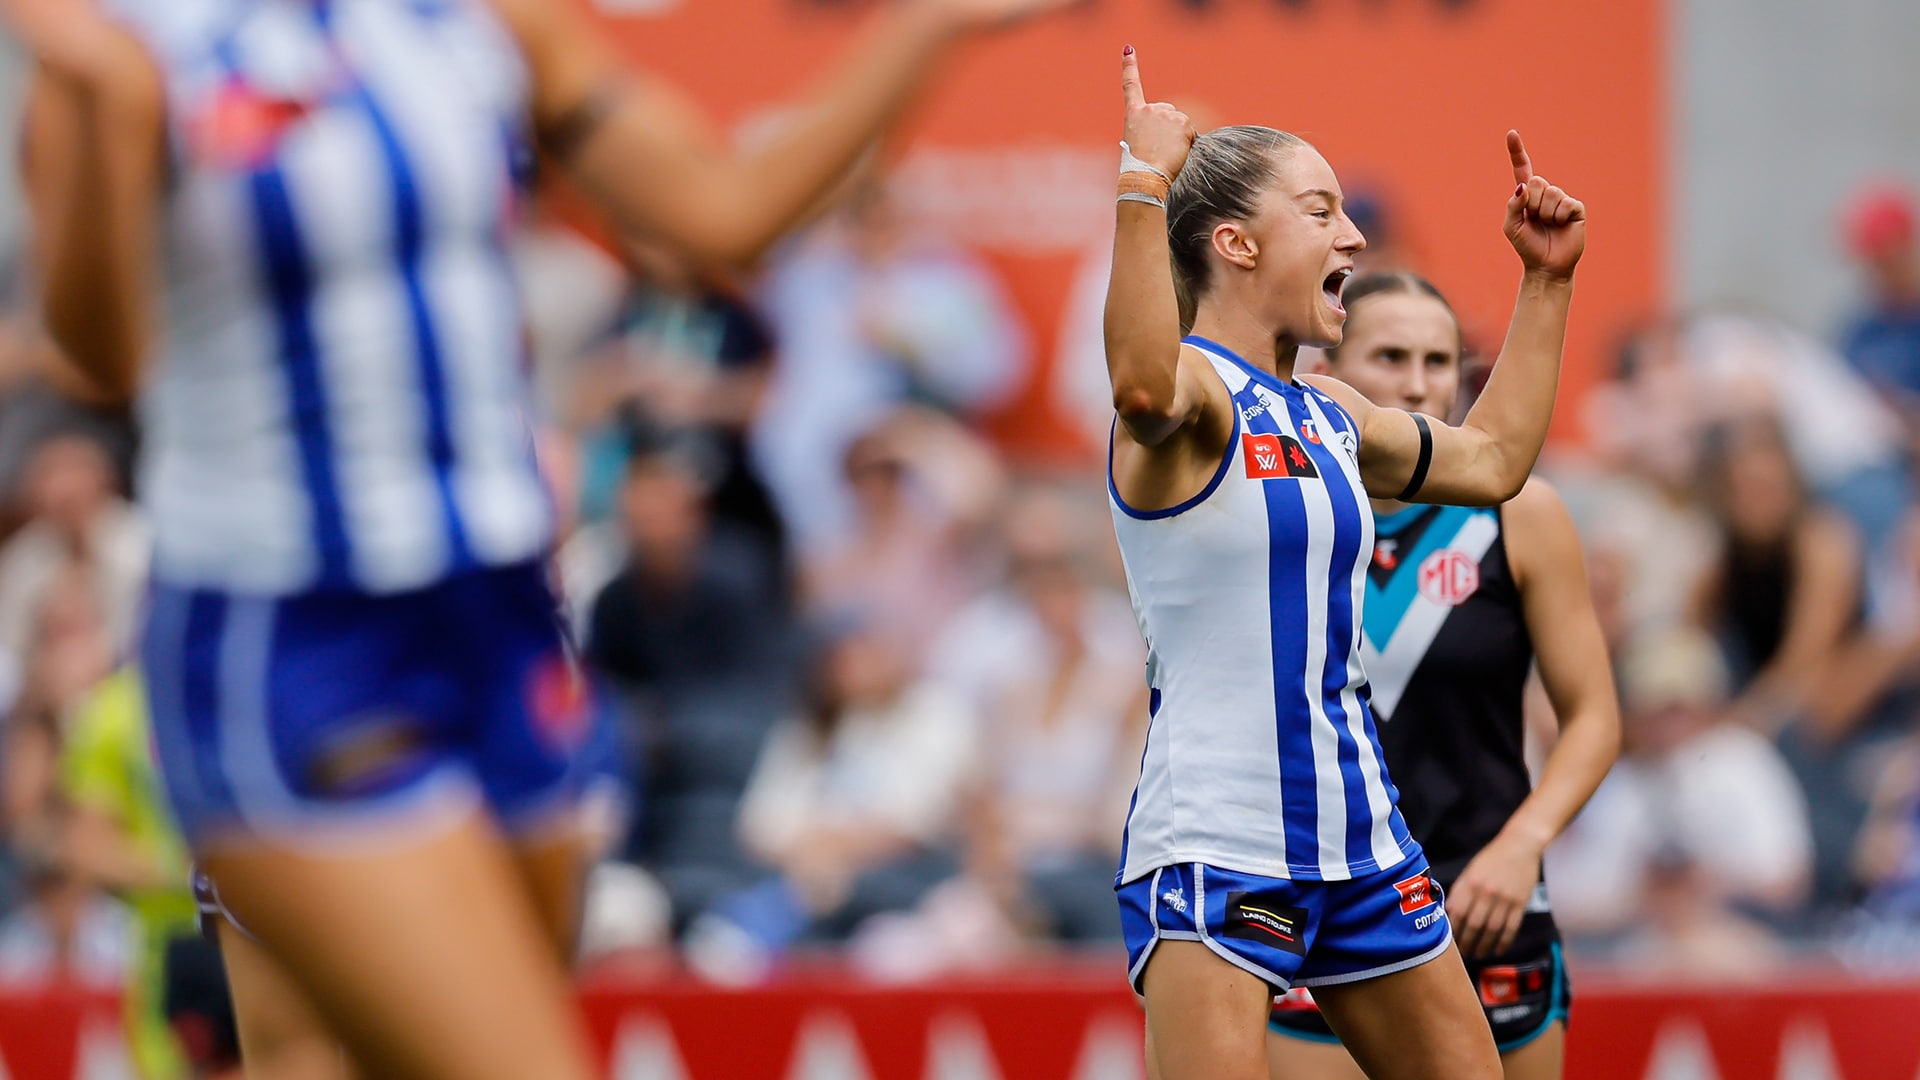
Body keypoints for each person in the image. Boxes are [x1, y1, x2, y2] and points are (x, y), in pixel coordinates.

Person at [3, 0, 1075, 1076]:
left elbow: (724, 212)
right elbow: (102, 356)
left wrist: (926, 27)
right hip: (291, 629)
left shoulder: (483, 22)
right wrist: (109, 103)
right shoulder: (133, 41)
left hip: (500, 612)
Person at [1104, 48, 1585, 1080]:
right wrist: (1143, 187)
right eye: (1321, 213)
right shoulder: (1189, 393)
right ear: (1234, 243)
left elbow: (1495, 460)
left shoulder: (1331, 412)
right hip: (1220, 838)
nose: (1354, 237)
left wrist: (1546, 283)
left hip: (1364, 836)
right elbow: (1140, 385)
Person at [1261, 273, 1619, 1080]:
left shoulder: (1519, 513)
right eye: (1389, 356)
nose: (1419, 382)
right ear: (1328, 369)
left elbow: (1594, 717)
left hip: (1484, 905)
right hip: (1321, 900)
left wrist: (1521, 845)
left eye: (1440, 359)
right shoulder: (1284, 504)